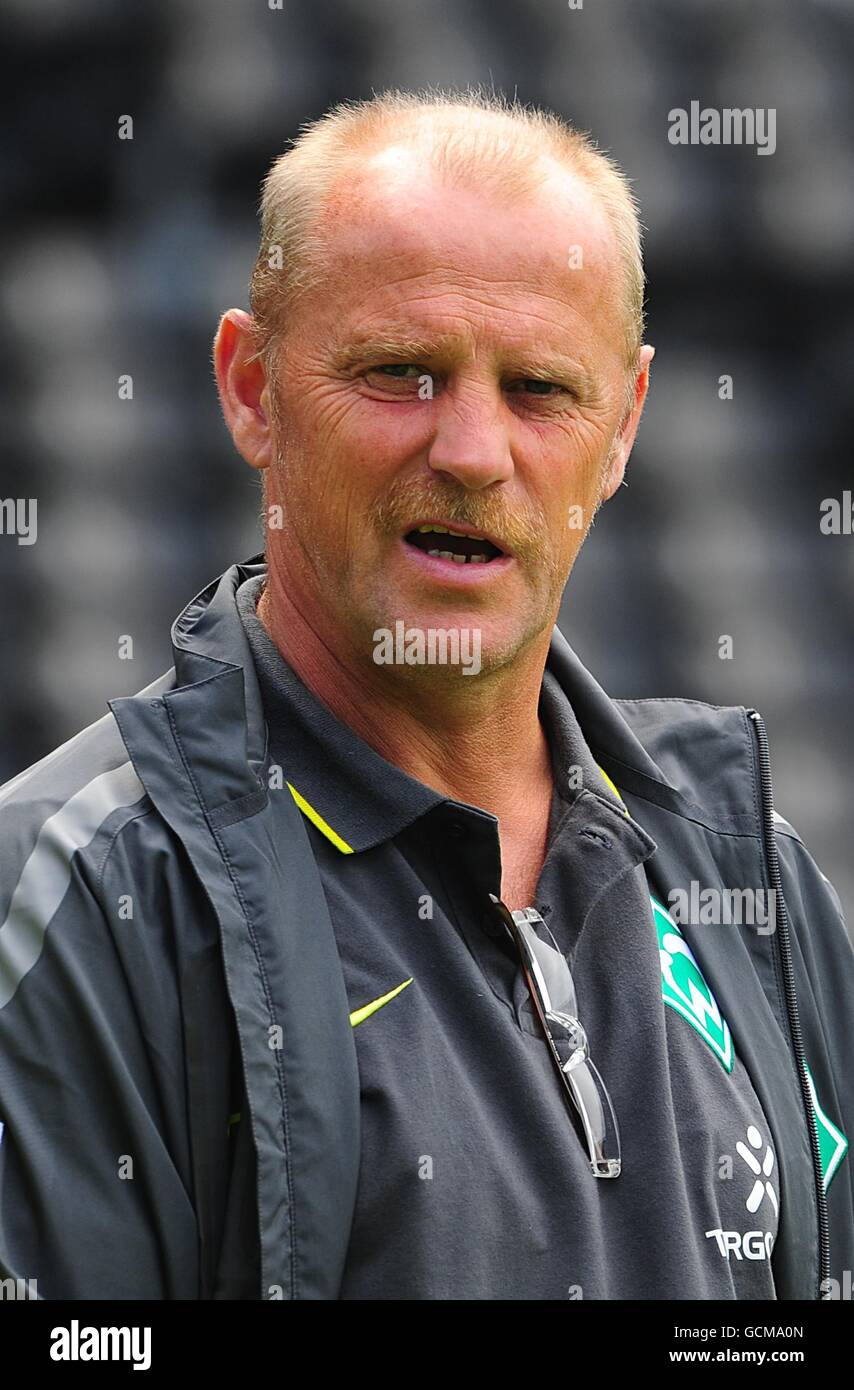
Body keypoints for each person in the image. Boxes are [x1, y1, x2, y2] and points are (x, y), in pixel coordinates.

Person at [0, 88, 851, 1301]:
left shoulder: (750, 877)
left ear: (623, 429)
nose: (469, 450)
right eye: (401, 372)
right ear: (252, 388)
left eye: (540, 390)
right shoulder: (77, 896)